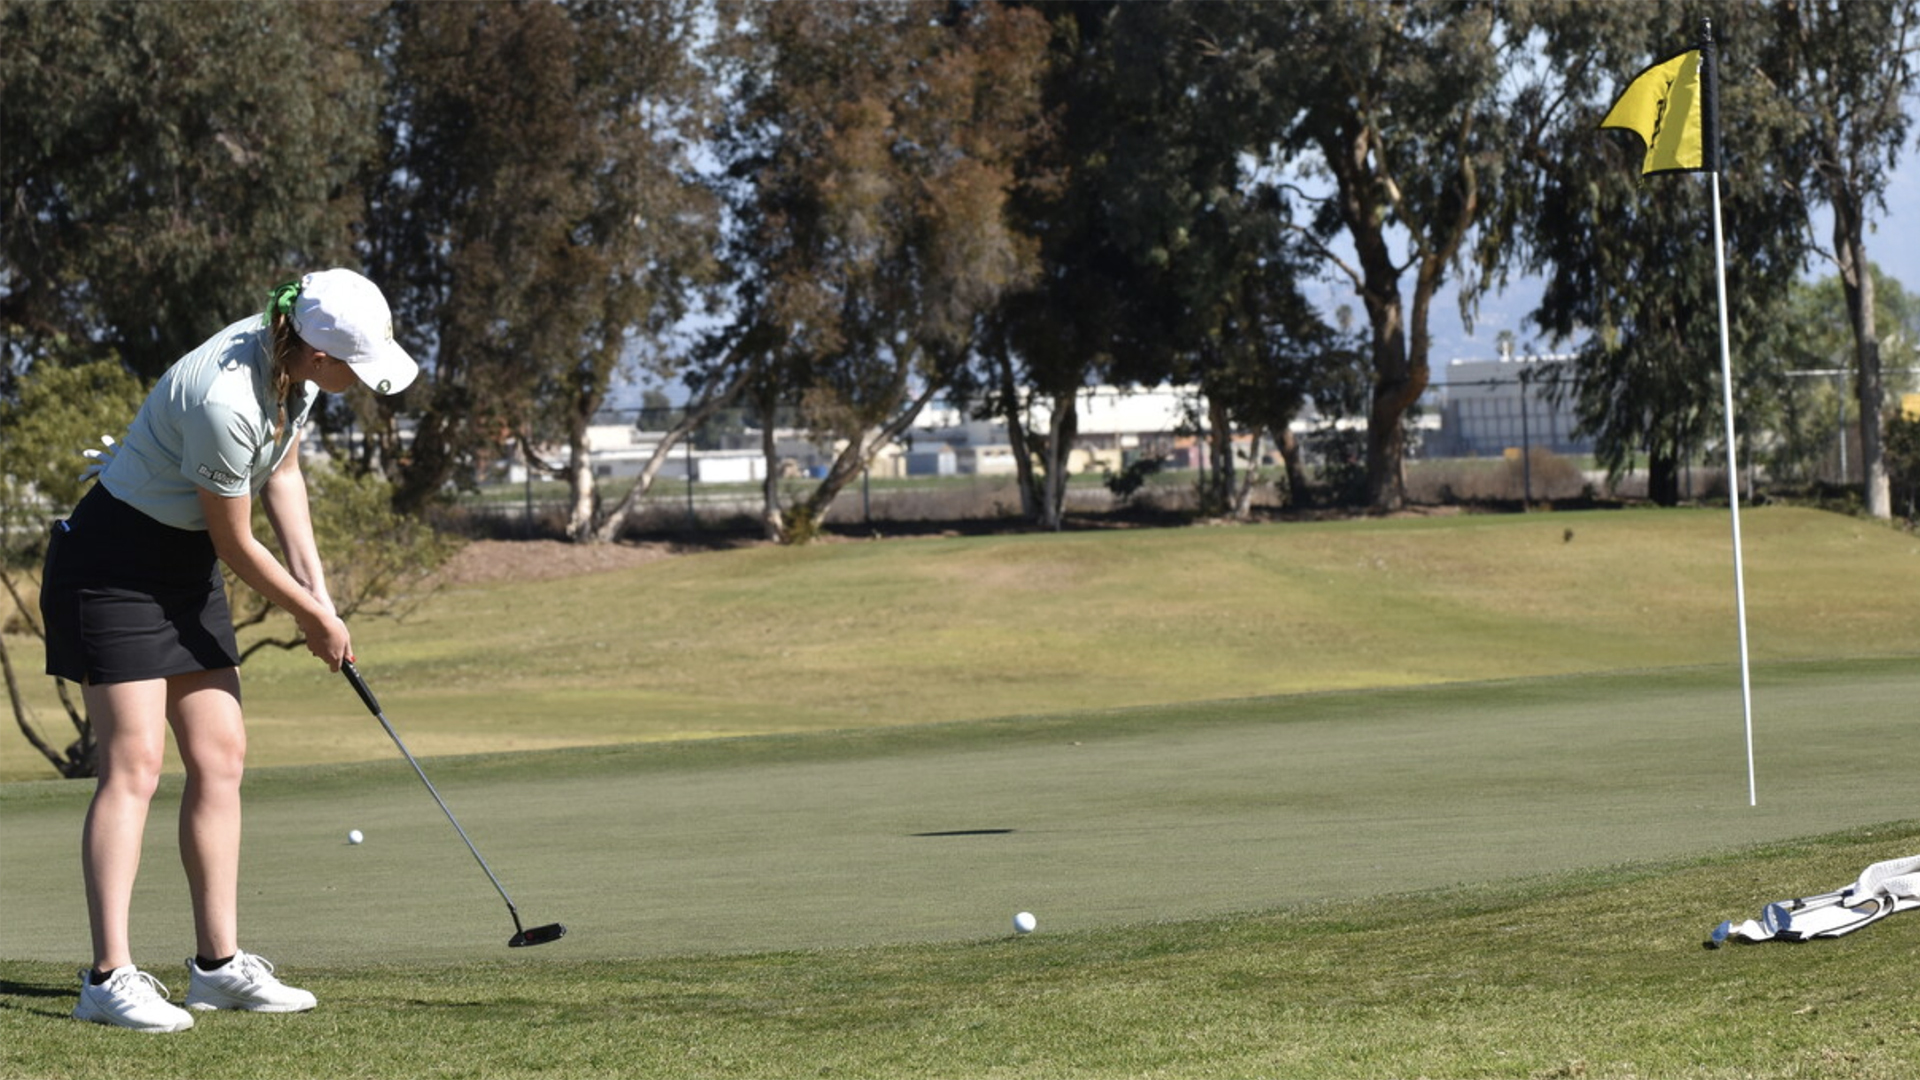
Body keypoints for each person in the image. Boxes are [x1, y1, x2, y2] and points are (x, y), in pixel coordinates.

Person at [40, 269, 418, 1032]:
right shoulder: (226, 397)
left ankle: (216, 968)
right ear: (316, 354)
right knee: (135, 766)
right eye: (358, 368)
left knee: (221, 757)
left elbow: (281, 474)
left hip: (182, 568)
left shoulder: (295, 375)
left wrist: (321, 594)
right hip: (113, 567)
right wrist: (309, 615)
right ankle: (107, 979)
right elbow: (236, 543)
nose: (364, 381)